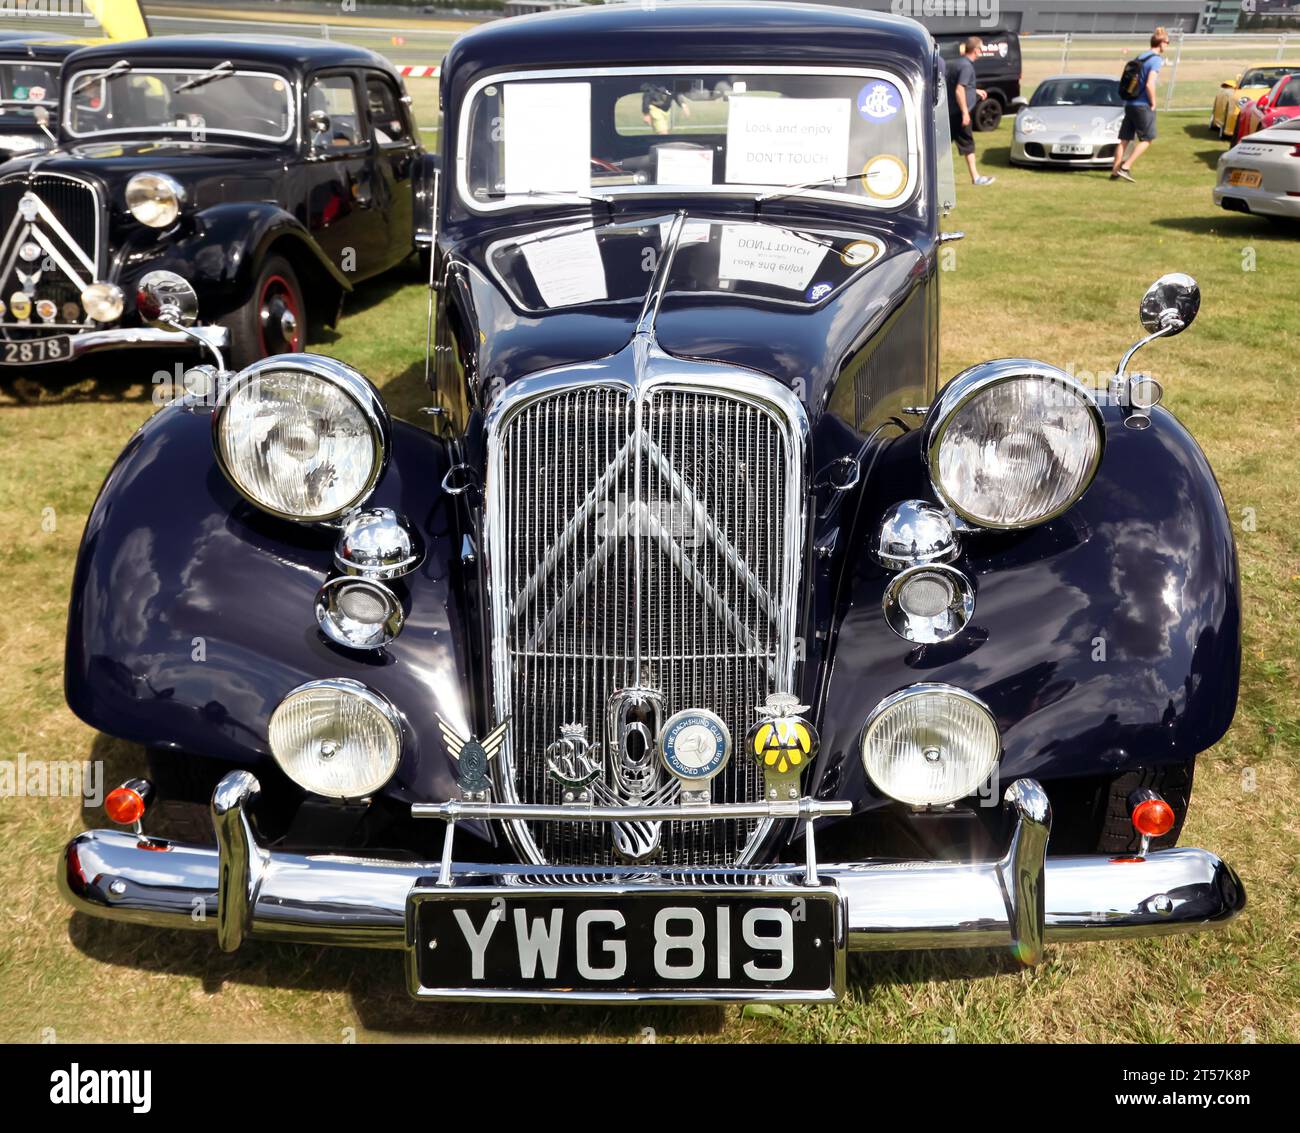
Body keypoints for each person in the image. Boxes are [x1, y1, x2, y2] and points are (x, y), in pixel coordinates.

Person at [1112, 27, 1170, 183]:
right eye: (1167, 42)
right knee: (1147, 139)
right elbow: (1150, 84)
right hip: (1142, 104)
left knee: (1124, 139)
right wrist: (1153, 102)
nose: (1168, 45)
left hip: (1130, 103)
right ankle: (1125, 167)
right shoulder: (1156, 60)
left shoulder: (1141, 57)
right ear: (1161, 43)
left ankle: (1115, 171)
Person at [947, 38, 994, 186]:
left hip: (949, 112)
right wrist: (965, 113)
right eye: (981, 49)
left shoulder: (958, 63)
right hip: (959, 114)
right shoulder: (967, 67)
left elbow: (962, 87)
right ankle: (976, 178)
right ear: (976, 50)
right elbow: (959, 89)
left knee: (940, 147)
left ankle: (923, 174)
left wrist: (974, 91)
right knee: (968, 145)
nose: (981, 51)